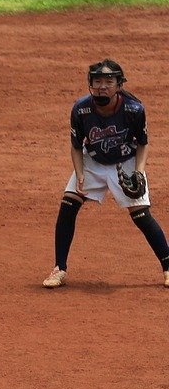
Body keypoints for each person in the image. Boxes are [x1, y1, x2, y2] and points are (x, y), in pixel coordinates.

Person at [44, 59, 169, 289]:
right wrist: (80, 174)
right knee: (68, 204)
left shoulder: (134, 109)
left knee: (141, 214)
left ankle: (168, 266)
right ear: (90, 84)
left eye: (109, 81)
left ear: (119, 85)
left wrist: (139, 173)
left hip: (126, 161)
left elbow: (143, 143)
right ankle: (59, 268)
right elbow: (75, 145)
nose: (102, 86)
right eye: (97, 81)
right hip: (93, 160)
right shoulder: (80, 109)